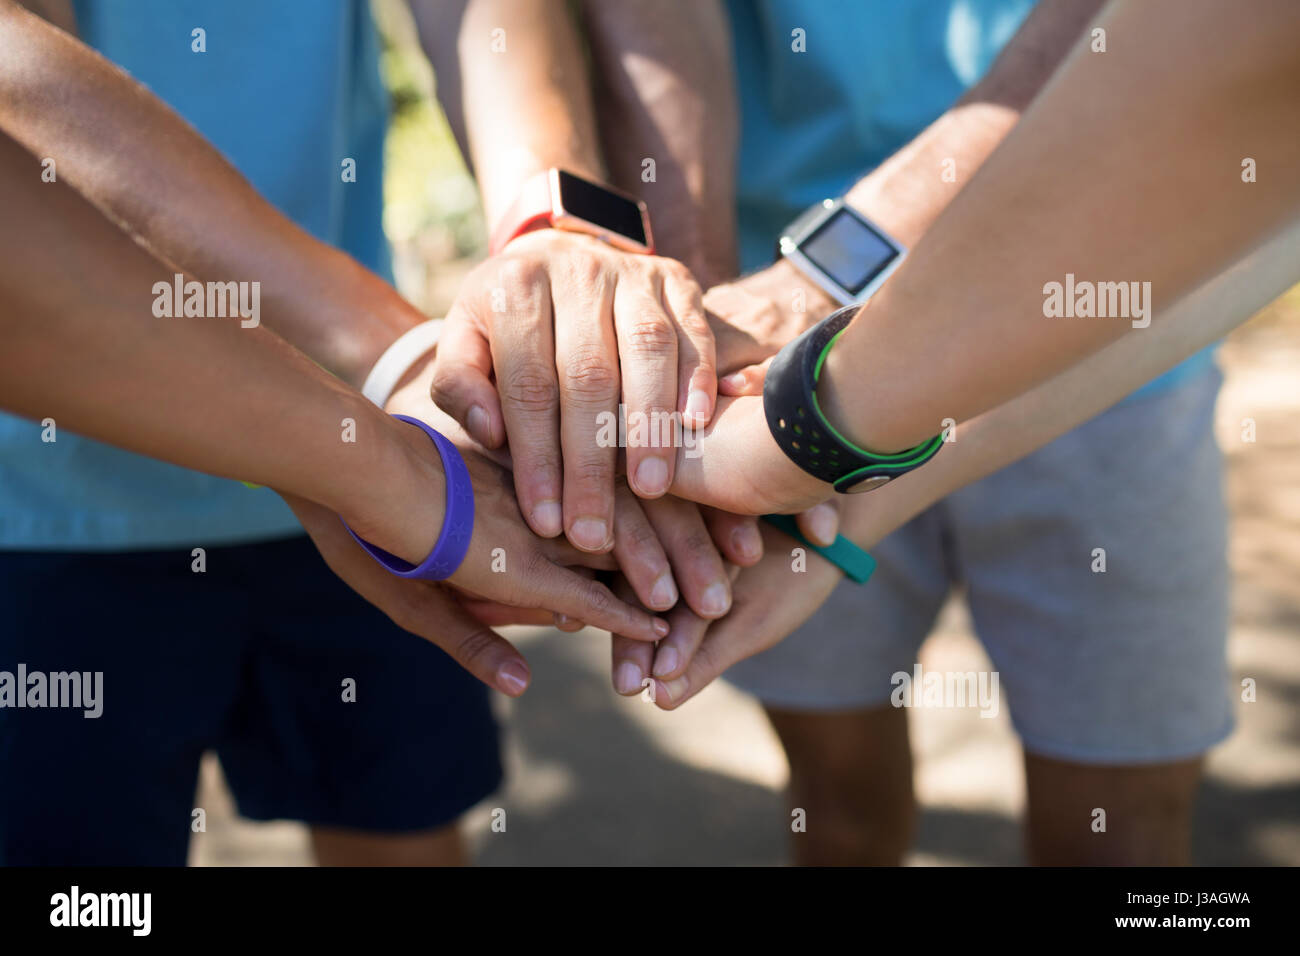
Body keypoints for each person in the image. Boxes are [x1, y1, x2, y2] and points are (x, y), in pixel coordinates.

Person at [430, 0, 1300, 865]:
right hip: (766, 351)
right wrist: (681, 313)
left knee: (1125, 836)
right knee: (837, 802)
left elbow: (1232, 88)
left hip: (1102, 294)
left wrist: (814, 331)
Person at [0, 0, 676, 866]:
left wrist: (555, 230)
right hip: (55, 507)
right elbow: (23, 85)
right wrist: (388, 380)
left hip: (392, 472)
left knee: (407, 836)